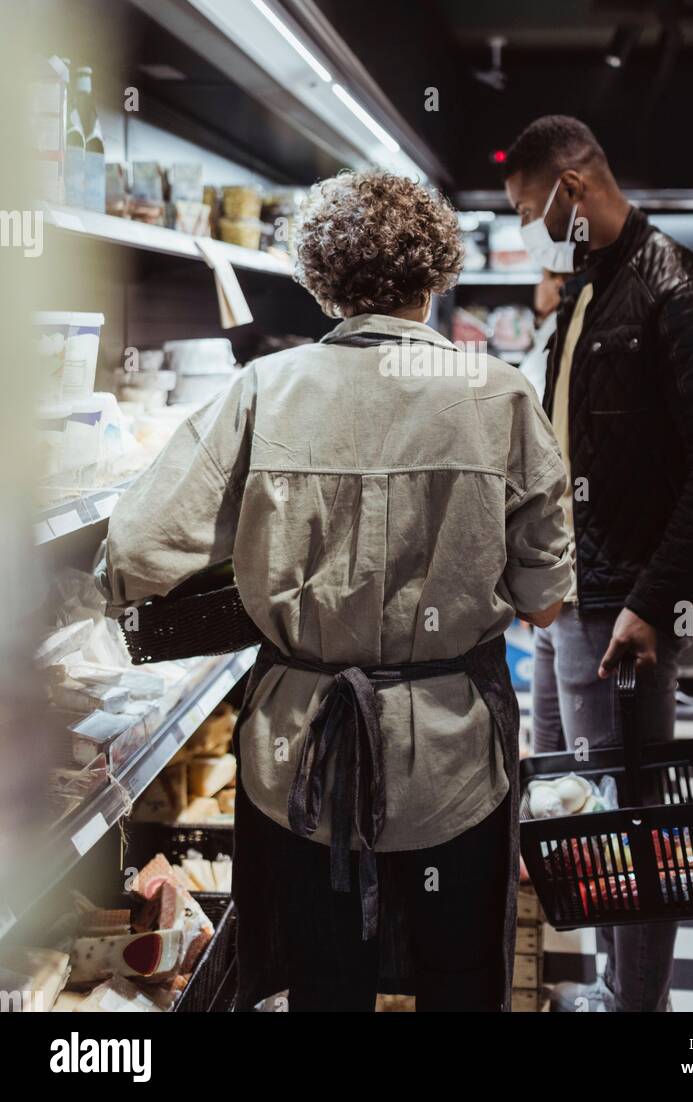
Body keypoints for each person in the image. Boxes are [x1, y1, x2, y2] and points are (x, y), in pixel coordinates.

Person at [98, 169, 572, 1013]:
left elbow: (136, 552)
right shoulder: (498, 394)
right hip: (454, 756)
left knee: (325, 988)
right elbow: (544, 599)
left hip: (298, 759)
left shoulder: (260, 390)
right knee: (459, 982)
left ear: (321, 282)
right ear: (432, 279)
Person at [504, 116, 693, 1013]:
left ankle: (634, 1007)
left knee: (632, 820)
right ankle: (615, 988)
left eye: (531, 208)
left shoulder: (682, 292)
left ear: (573, 189)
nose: (527, 227)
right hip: (569, 596)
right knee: (581, 808)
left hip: (620, 608)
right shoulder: (587, 287)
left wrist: (654, 602)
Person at [519, 267, 566, 402]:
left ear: (558, 285)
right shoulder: (550, 328)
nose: (538, 286)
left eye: (542, 278)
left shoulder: (554, 331)